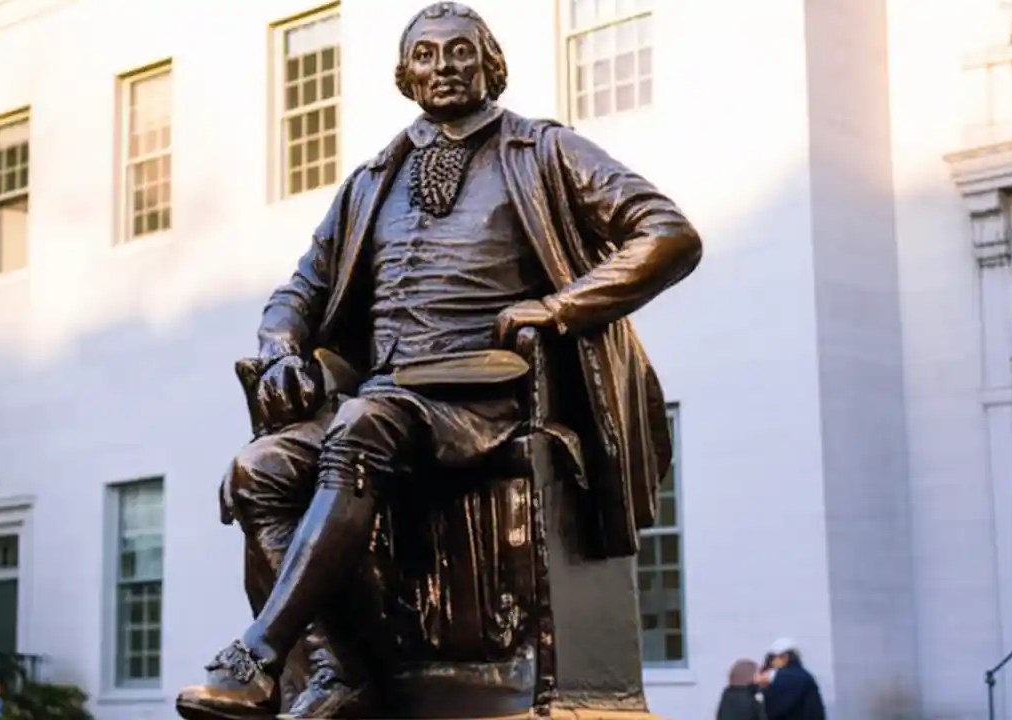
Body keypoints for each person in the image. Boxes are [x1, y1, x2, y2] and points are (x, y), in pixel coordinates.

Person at [175, 3, 702, 719]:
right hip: (382, 399)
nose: (444, 67)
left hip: (484, 398)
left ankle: (257, 655)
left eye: (460, 52)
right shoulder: (372, 181)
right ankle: (335, 671)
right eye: (425, 55)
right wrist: (280, 353)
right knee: (258, 469)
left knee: (362, 422)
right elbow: (299, 291)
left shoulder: (543, 151)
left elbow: (668, 234)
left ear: (491, 65)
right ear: (406, 76)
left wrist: (559, 308)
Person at [757, 638, 826, 720]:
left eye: (771, 658)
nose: (771, 663)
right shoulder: (802, 677)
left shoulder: (792, 678)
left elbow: (773, 708)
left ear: (784, 657)